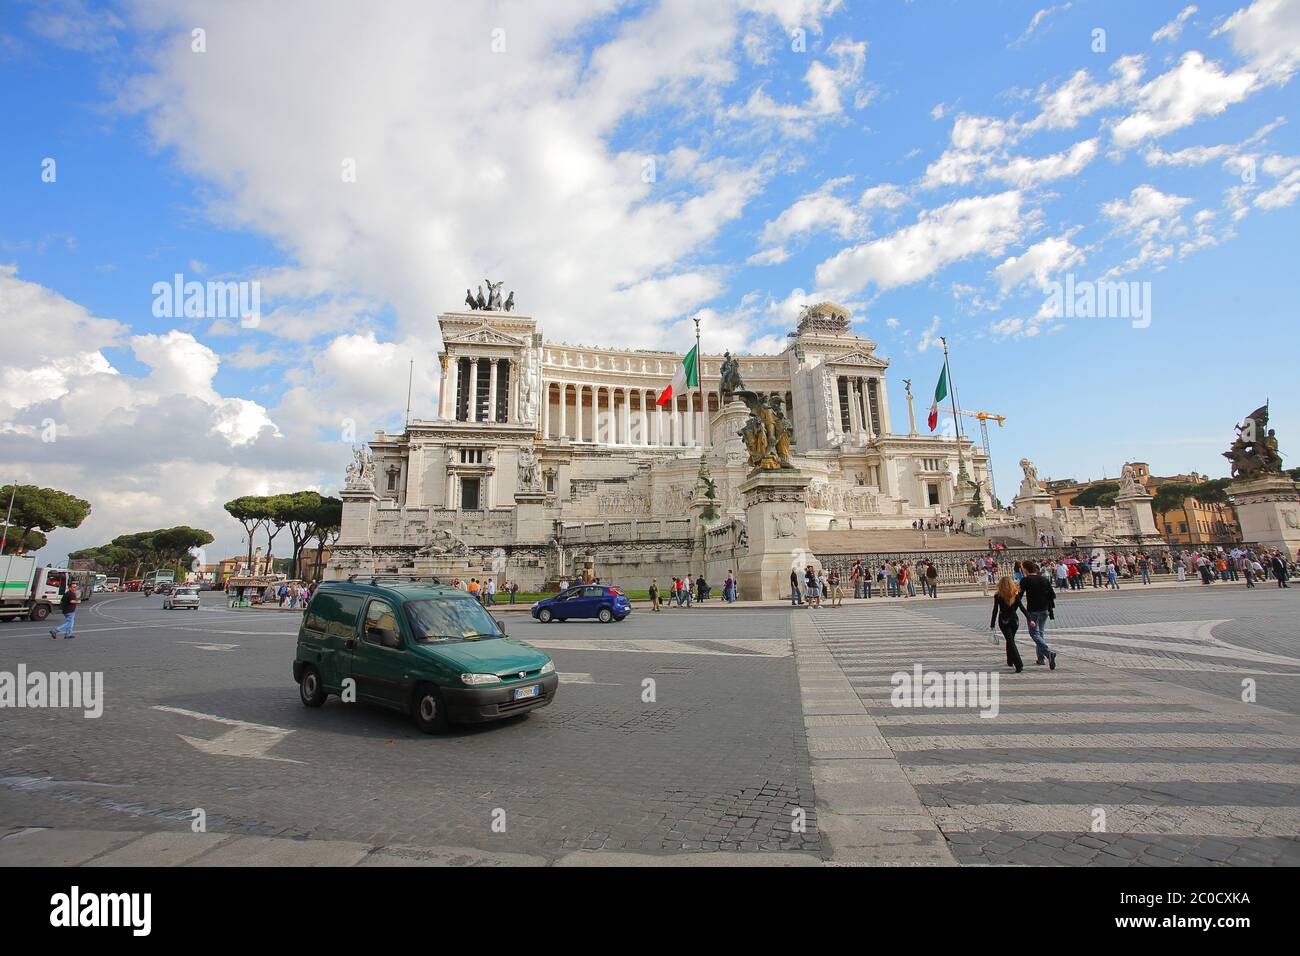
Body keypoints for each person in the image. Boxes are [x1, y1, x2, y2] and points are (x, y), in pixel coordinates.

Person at [1018, 562, 1058, 670]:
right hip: (1045, 610)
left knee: (1034, 634)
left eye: (1022, 568)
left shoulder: (1025, 580)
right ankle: (1041, 658)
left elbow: (1019, 596)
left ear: (1025, 569)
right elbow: (1052, 595)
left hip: (1033, 611)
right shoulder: (1044, 579)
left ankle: (1048, 653)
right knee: (1040, 633)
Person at [989, 576, 1025, 673]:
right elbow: (1021, 607)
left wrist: (992, 623)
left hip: (1004, 620)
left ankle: (1019, 663)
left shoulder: (998, 595)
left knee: (1010, 641)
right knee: (1010, 639)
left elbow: (995, 610)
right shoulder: (1015, 594)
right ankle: (1010, 660)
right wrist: (1029, 619)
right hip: (1014, 620)